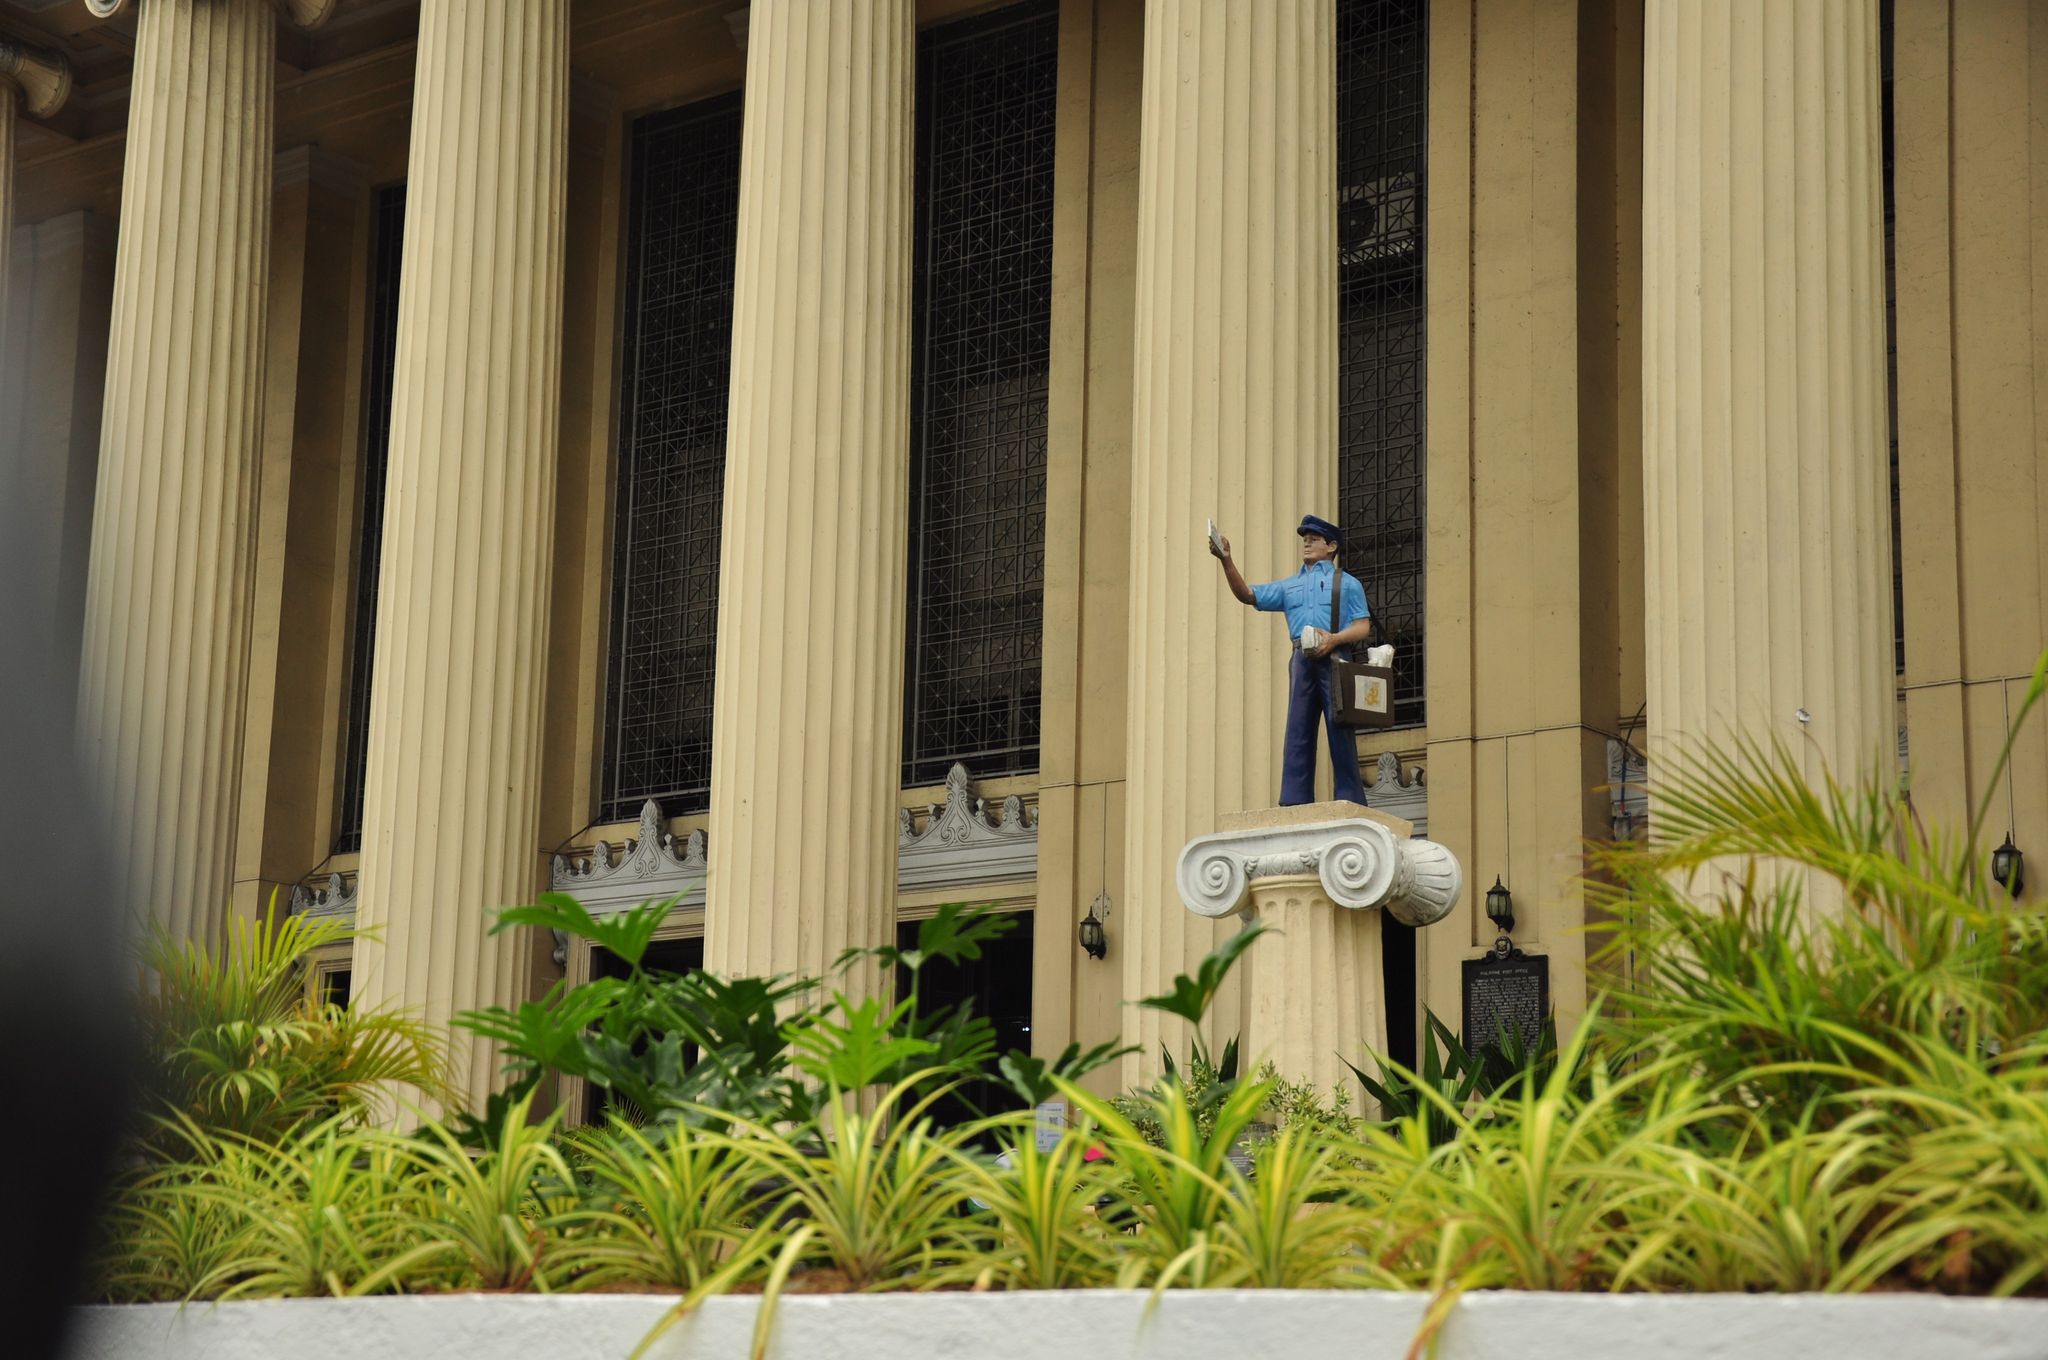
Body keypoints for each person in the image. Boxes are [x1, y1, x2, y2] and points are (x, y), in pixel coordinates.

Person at [1210, 514, 1374, 806]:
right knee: (1298, 727)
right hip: (1302, 657)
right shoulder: (1288, 586)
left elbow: (1363, 626)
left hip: (1336, 657)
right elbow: (1247, 594)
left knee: (1341, 728)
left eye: (1314, 538)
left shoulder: (1347, 584)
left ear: (1331, 546)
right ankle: (1294, 798)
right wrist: (1226, 560)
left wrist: (1334, 639)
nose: (1307, 543)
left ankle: (1350, 796)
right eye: (1305, 539)